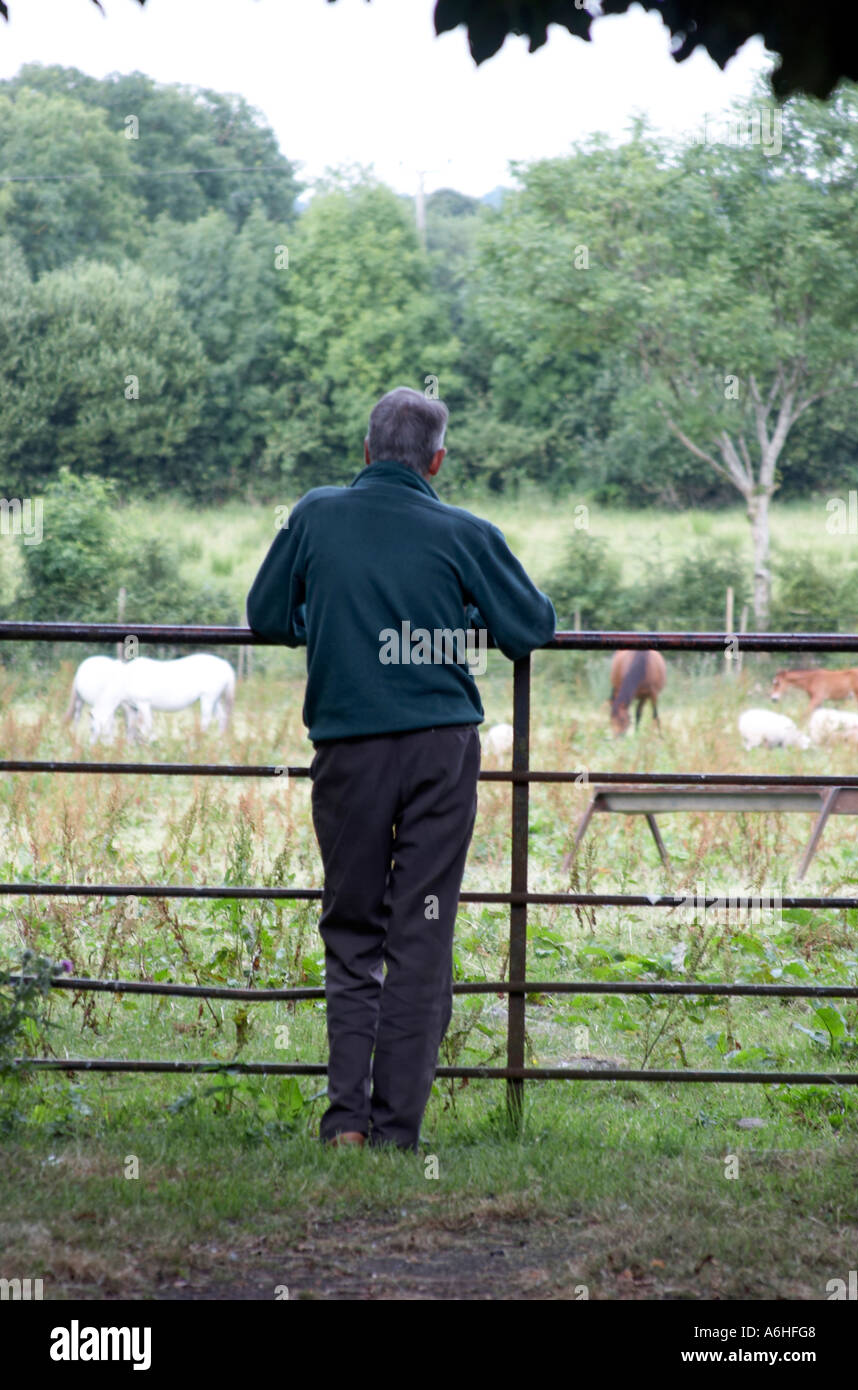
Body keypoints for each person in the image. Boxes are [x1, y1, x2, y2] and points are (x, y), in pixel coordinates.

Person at [246, 386, 556, 1152]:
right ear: (438, 460)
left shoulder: (316, 513)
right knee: (421, 932)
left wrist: (329, 620)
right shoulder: (465, 531)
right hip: (439, 752)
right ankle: (396, 1134)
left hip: (348, 749)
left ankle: (345, 1122)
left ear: (365, 451)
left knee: (352, 928)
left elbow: (265, 617)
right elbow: (532, 628)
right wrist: (454, 630)